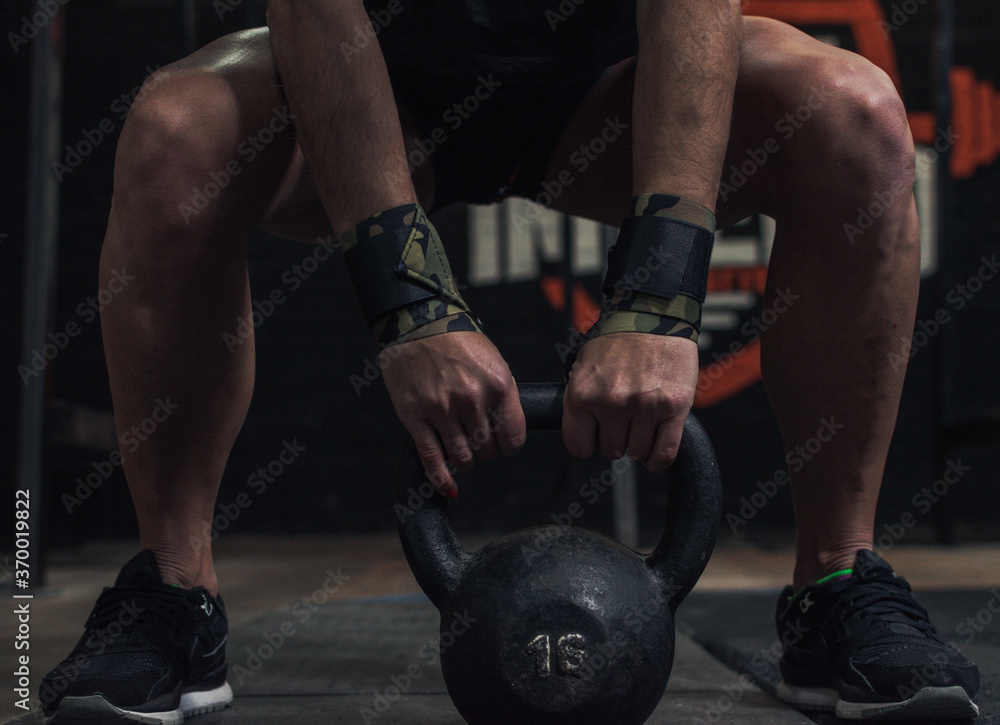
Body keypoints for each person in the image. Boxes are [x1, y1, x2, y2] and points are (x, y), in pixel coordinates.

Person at [39, 0, 980, 722]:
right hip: (370, 90)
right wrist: (411, 308)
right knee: (175, 134)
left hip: (613, 83)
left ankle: (835, 585)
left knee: (855, 117)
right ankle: (175, 594)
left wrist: (658, 298)